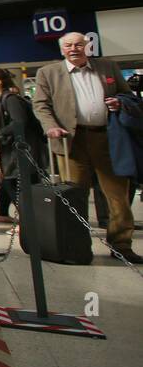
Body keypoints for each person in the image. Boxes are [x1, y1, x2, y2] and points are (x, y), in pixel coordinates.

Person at [32, 32, 138, 263]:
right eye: (68, 45)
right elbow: (40, 104)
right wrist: (50, 126)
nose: (74, 49)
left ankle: (121, 245)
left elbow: (126, 94)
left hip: (108, 138)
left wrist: (120, 102)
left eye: (79, 44)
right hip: (71, 141)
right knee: (74, 196)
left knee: (119, 195)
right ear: (62, 50)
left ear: (88, 46)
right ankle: (75, 244)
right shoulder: (48, 73)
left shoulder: (107, 67)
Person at [0, 68, 43, 228]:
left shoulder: (10, 99)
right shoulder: (2, 100)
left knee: (16, 187)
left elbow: (19, 123)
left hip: (20, 155)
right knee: (11, 186)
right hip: (11, 154)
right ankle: (28, 223)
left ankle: (30, 224)